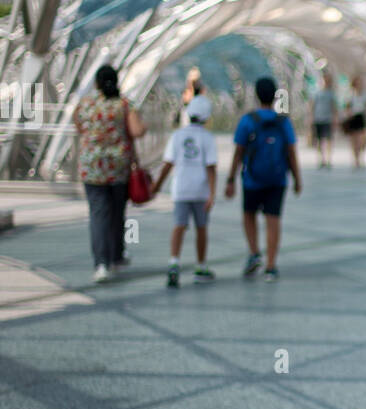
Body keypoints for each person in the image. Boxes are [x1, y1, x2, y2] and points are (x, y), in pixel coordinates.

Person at [73, 63, 146, 283]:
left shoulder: (86, 104)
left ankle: (101, 264)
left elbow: (78, 126)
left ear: (96, 83)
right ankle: (116, 257)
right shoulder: (123, 105)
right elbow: (137, 131)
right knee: (117, 213)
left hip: (92, 167)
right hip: (118, 168)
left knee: (98, 215)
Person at [225, 76, 302, 281]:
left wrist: (231, 179)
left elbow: (238, 152)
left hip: (252, 179)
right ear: (275, 95)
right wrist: (297, 179)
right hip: (278, 180)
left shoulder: (248, 120)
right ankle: (271, 266)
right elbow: (292, 152)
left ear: (256, 94)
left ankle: (254, 253)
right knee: (273, 219)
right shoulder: (283, 122)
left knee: (249, 214)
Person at [151, 94, 217, 288]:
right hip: (200, 190)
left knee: (179, 225)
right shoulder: (207, 137)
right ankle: (200, 266)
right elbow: (211, 167)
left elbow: (167, 164)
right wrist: (212, 194)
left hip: (180, 189)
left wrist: (156, 186)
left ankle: (174, 262)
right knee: (201, 228)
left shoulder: (177, 135)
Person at [310, 70, 337, 169]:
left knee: (329, 139)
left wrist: (335, 119)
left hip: (328, 119)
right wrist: (311, 118)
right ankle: (321, 159)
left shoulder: (331, 93)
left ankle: (329, 159)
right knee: (319, 140)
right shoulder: (316, 92)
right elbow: (312, 105)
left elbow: (334, 107)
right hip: (318, 118)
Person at [342, 74, 366, 169]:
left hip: (361, 117)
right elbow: (346, 106)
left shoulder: (365, 94)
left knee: (362, 140)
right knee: (354, 140)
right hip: (353, 117)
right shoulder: (350, 94)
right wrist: (348, 113)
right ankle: (356, 159)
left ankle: (360, 155)